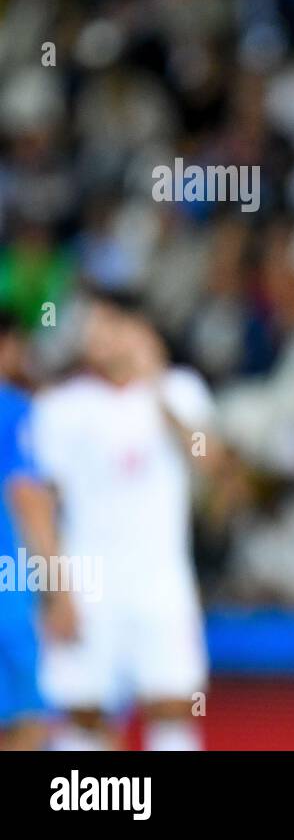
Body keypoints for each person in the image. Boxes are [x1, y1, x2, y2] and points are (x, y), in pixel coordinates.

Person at [31, 292, 216, 750]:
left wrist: (154, 384)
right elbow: (40, 505)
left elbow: (209, 462)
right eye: (91, 325)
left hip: (161, 582)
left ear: (138, 328)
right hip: (88, 582)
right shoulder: (61, 406)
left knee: (173, 705)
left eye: (109, 323)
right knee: (83, 712)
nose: (98, 335)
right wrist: (54, 589)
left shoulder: (179, 391)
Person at [0, 310, 62, 750]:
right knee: (27, 722)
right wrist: (56, 587)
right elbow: (27, 498)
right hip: (8, 590)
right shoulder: (13, 410)